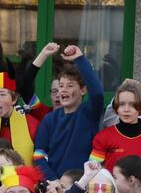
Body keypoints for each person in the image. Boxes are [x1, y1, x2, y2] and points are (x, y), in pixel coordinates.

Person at [31, 45, 107, 180]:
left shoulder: (89, 113)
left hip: (82, 184)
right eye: (61, 86)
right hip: (54, 186)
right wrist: (53, 181)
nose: (63, 90)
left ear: (83, 90)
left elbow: (98, 94)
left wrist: (80, 59)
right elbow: (38, 156)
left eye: (70, 85)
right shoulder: (49, 120)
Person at [90, 79, 141, 167]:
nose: (126, 109)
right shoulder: (103, 137)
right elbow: (92, 172)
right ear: (116, 107)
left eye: (132, 104)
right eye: (122, 104)